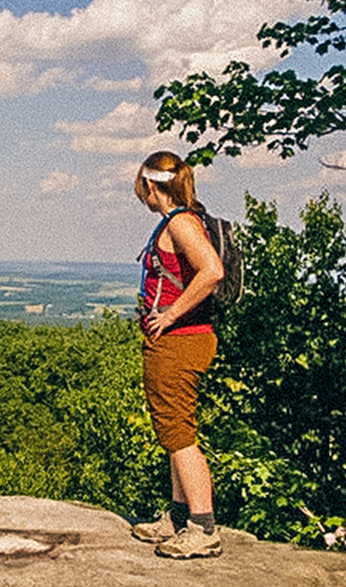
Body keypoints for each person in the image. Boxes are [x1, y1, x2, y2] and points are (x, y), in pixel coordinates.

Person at [129, 151, 225, 559]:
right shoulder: (184, 220)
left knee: (180, 435)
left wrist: (169, 314)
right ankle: (178, 516)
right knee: (173, 430)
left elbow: (212, 271)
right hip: (181, 339)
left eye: (142, 188)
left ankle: (202, 527)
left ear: (152, 186)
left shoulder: (181, 223)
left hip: (180, 340)